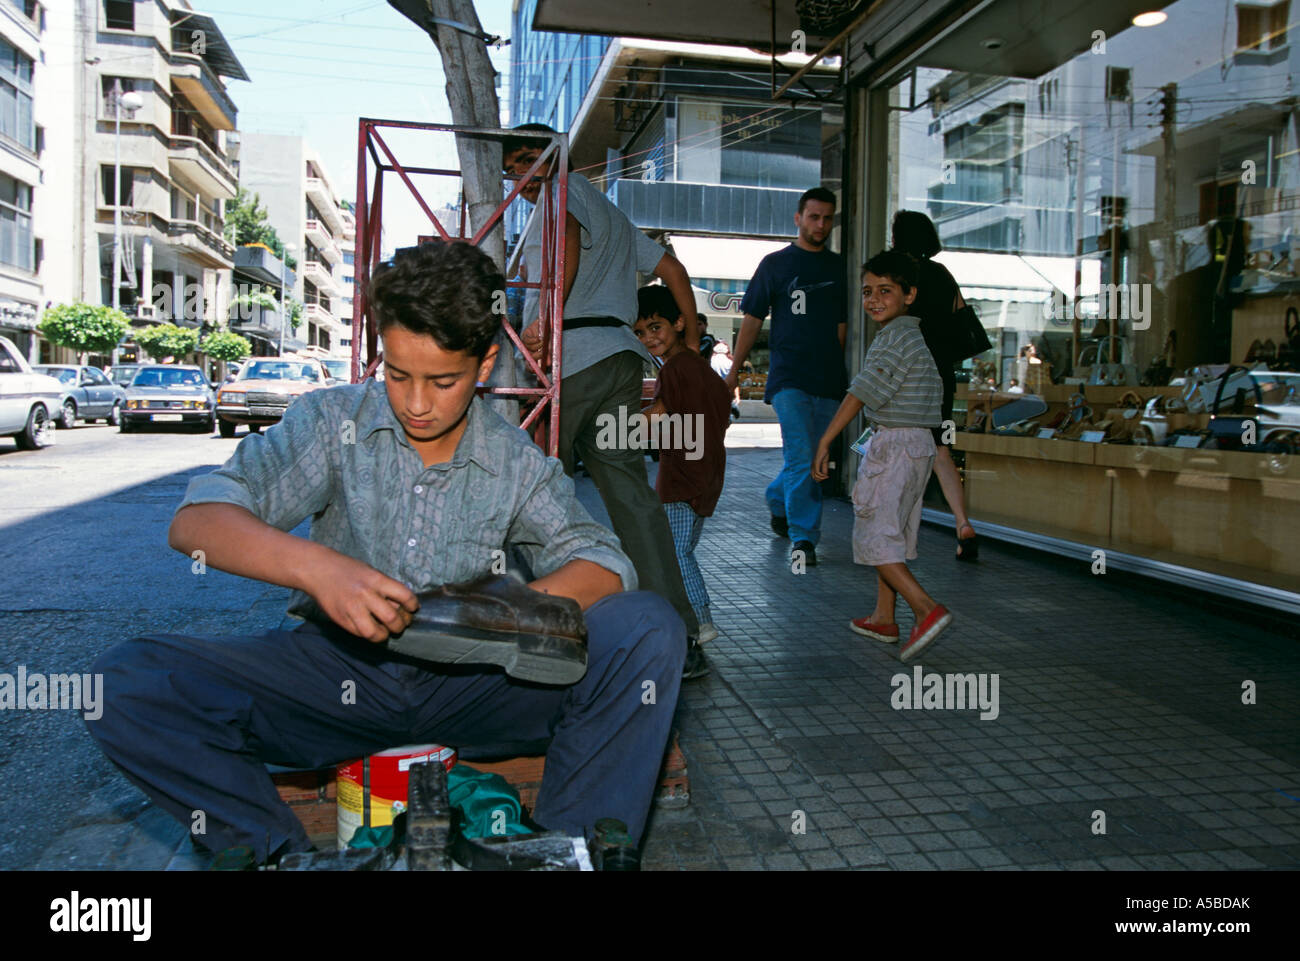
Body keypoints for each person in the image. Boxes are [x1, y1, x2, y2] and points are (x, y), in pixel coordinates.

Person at [84, 242, 685, 865]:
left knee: (646, 627)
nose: (416, 403)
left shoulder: (514, 458)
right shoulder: (331, 421)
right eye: (398, 375)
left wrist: (510, 612)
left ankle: (566, 857)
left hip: (473, 689)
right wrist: (319, 569)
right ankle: (275, 857)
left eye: (442, 380)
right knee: (123, 681)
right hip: (335, 678)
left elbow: (604, 561)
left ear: (484, 363)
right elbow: (198, 520)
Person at [504, 123, 705, 651]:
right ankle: (678, 629)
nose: (522, 175)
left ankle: (533, 621)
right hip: (619, 362)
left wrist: (546, 317)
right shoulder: (611, 211)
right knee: (632, 497)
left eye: (531, 159)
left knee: (523, 483)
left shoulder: (560, 193)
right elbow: (673, 269)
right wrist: (691, 335)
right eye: (513, 168)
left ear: (556, 157)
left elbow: (566, 238)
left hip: (575, 361)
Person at [812, 250, 952, 662]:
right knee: (890, 534)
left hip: (894, 446)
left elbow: (862, 391)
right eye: (868, 291)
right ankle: (883, 616)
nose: (873, 299)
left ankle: (926, 610)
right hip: (916, 446)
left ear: (910, 294)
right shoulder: (914, 337)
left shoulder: (894, 338)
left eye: (885, 291)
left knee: (875, 536)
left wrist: (826, 440)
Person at [727, 186, 846, 567]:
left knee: (811, 457)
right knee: (801, 455)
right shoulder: (775, 264)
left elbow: (843, 328)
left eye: (828, 218)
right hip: (789, 378)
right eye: (814, 217)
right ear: (798, 218)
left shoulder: (840, 267)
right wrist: (733, 373)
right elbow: (751, 320)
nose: (821, 225)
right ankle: (804, 539)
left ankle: (777, 498)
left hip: (828, 378)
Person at [634, 285, 731, 679]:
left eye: (656, 327)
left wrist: (615, 429)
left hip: (681, 480)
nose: (649, 338)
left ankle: (698, 623)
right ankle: (688, 637)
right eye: (640, 332)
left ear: (678, 323)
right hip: (705, 477)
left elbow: (659, 415)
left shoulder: (675, 370)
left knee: (674, 555)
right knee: (678, 550)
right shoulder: (698, 367)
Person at [890, 210, 981, 561]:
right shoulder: (943, 274)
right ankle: (963, 524)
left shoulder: (898, 274)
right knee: (941, 451)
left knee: (899, 445)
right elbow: (960, 315)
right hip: (941, 374)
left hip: (908, 372)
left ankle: (893, 527)